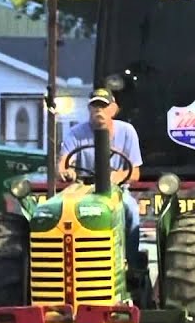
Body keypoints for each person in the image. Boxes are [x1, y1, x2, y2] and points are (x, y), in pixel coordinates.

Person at [58, 88, 143, 263]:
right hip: (83, 189)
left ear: (113, 109)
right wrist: (67, 171)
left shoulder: (127, 131)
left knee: (131, 209)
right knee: (60, 213)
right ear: (89, 109)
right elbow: (63, 164)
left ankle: (131, 263)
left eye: (103, 106)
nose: (99, 110)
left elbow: (135, 173)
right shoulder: (75, 133)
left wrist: (118, 176)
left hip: (116, 189)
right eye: (95, 106)